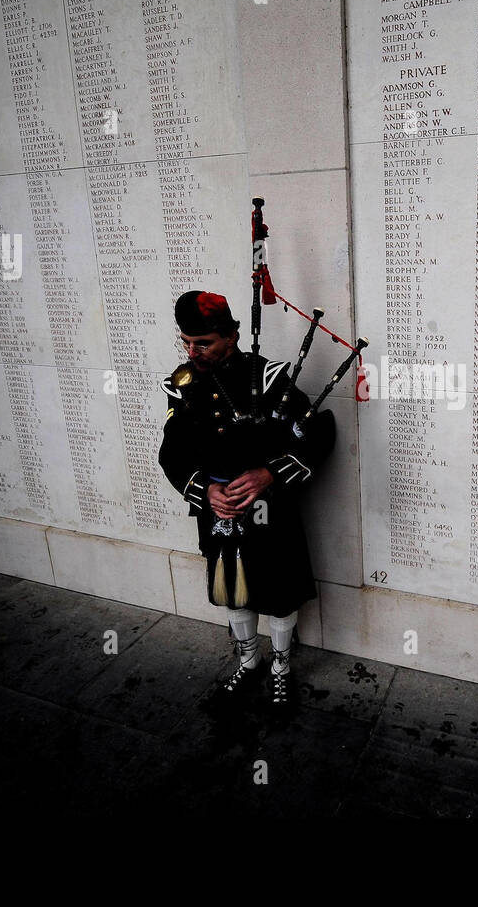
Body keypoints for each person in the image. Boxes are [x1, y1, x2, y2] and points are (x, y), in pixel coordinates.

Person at [157, 290, 335, 717]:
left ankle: (280, 668)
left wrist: (269, 473)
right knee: (234, 594)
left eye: (203, 343)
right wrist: (204, 491)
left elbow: (319, 432)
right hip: (220, 513)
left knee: (277, 592)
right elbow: (172, 452)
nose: (192, 351)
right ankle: (248, 661)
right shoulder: (183, 385)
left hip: (269, 510)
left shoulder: (268, 378)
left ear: (233, 336)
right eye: (186, 342)